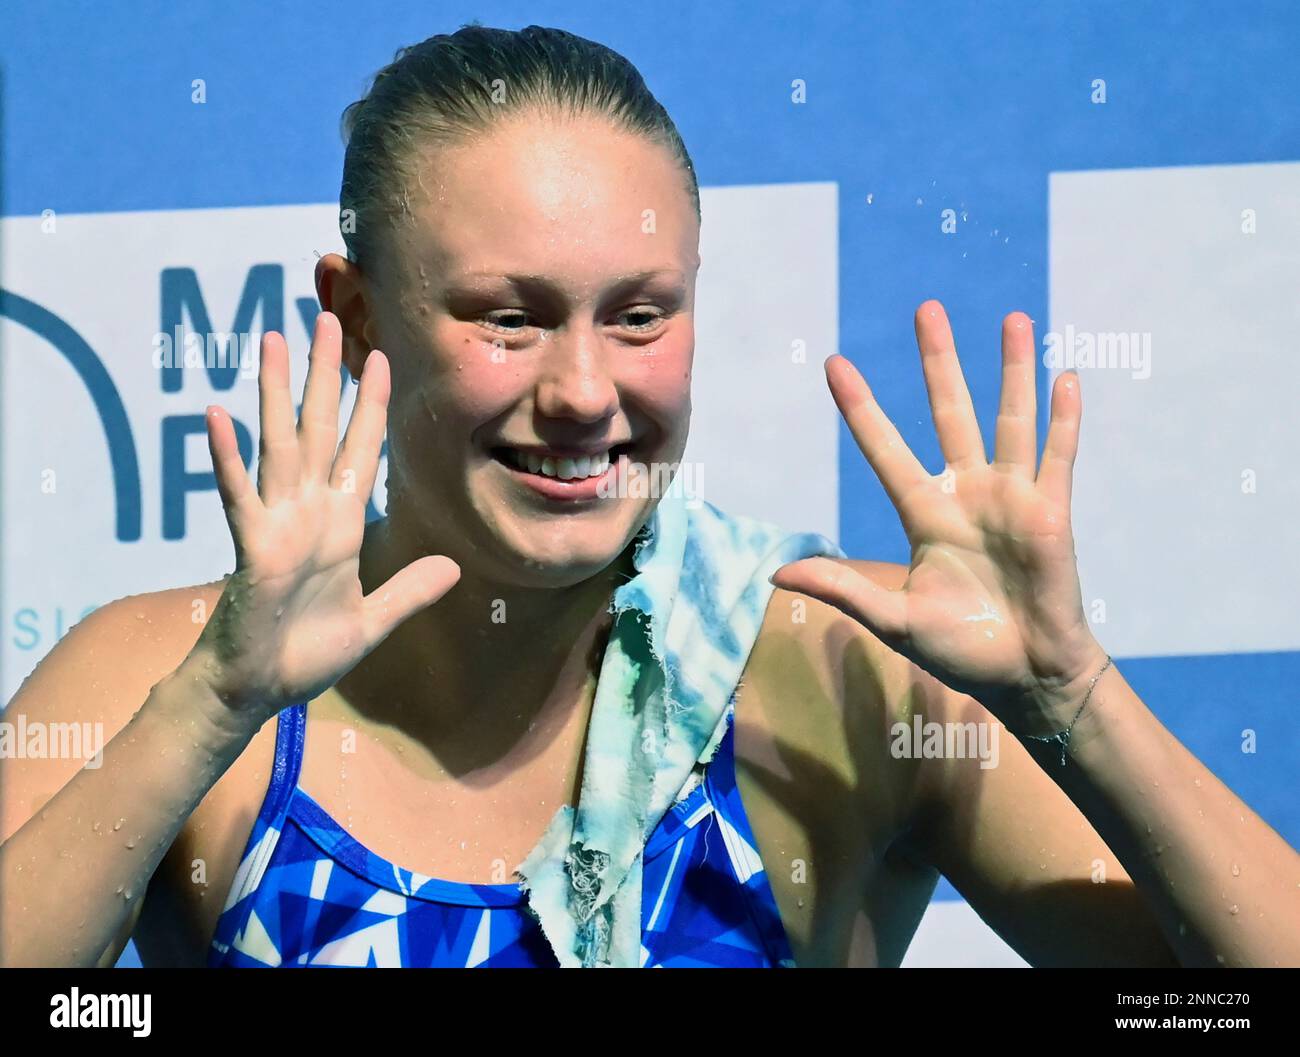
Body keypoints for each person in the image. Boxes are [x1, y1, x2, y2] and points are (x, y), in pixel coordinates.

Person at [2, 23, 1296, 969]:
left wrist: (1078, 703)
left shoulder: (844, 678)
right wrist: (212, 708)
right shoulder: (164, 677)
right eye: (508, 318)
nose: (582, 391)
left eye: (638, 316)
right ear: (356, 313)